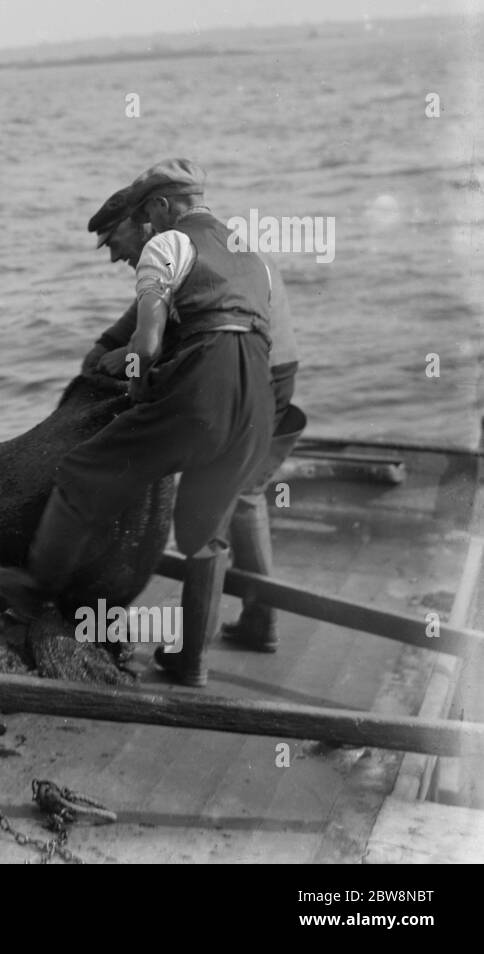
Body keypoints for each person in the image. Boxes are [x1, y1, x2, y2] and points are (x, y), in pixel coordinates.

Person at [0, 158, 275, 686]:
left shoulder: (166, 244)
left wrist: (137, 386)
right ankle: (192, 664)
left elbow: (149, 336)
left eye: (147, 211)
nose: (146, 223)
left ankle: (34, 590)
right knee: (205, 534)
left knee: (82, 474)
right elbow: (244, 324)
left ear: (161, 206)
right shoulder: (246, 250)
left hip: (204, 389)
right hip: (257, 398)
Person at [81, 187, 307, 654]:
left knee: (231, 503)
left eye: (115, 238)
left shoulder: (186, 247)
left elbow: (167, 330)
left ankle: (210, 646)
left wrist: (124, 359)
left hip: (259, 376)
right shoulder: (212, 244)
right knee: (238, 497)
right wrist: (110, 342)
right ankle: (254, 623)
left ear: (150, 217)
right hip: (262, 372)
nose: (115, 254)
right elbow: (157, 305)